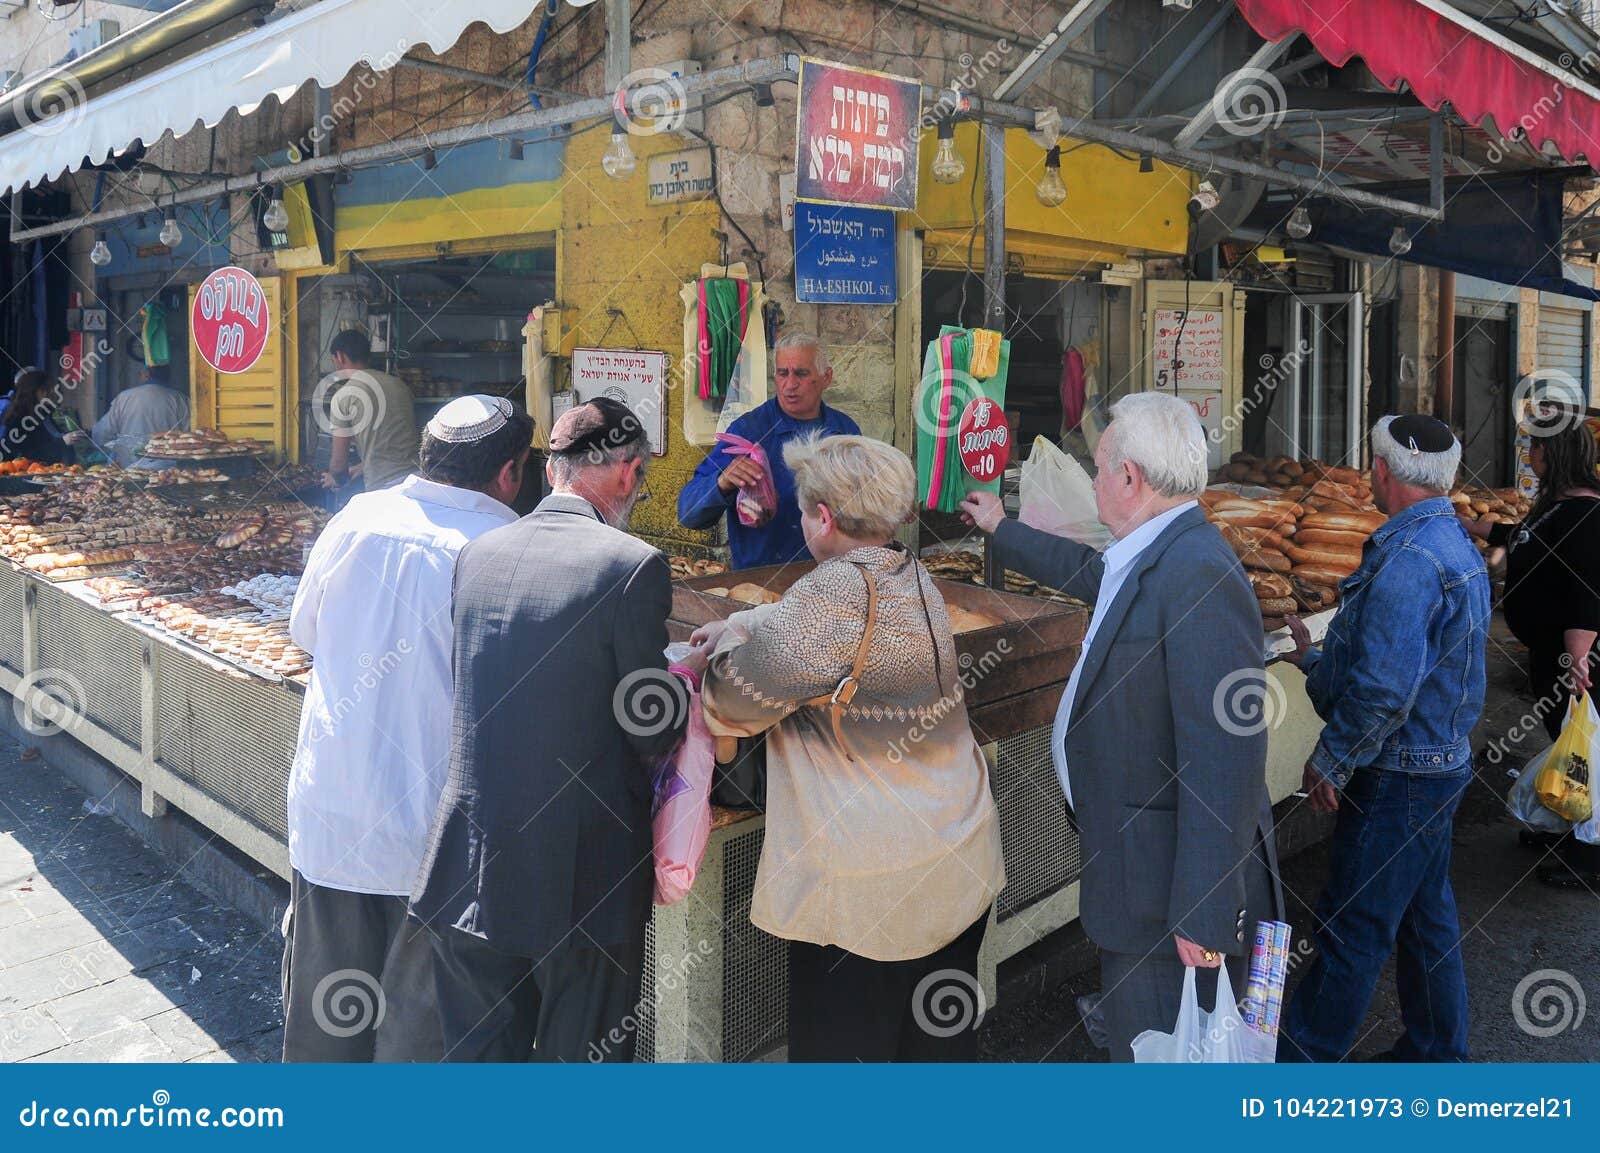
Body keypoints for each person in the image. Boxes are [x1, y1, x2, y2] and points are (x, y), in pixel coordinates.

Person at [960, 392, 1281, 1062]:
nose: (1094, 480)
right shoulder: (1151, 548)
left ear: (1130, 479)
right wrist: (1000, 526)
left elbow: (1226, 757)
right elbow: (1088, 574)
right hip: (1139, 877)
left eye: (1099, 468)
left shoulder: (1198, 574)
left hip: (1170, 905)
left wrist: (1204, 910)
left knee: (1165, 1059)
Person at [689, 434, 1005, 1061]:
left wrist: (719, 648)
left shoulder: (832, 596)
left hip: (873, 889)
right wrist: (745, 622)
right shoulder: (912, 575)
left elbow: (730, 699)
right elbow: (819, 639)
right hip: (957, 856)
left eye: (804, 512)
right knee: (935, 1058)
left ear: (824, 519)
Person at [411, 398, 704, 1061]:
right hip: (581, 884)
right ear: (628, 473)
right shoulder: (631, 565)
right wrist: (690, 680)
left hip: (468, 867)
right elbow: (649, 729)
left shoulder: (478, 554)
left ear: (551, 470)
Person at [281, 396, 531, 1062]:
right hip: (433, 839)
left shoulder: (357, 518)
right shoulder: (503, 549)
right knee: (420, 1041)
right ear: (511, 472)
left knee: (327, 1027)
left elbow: (303, 631)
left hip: (335, 811)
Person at [1279, 414, 1488, 1063]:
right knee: (1426, 918)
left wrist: (1332, 759)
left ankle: (1296, 1074)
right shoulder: (1452, 544)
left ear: (1382, 472)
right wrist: (1317, 660)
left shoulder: (1412, 561)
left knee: (1352, 929)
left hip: (1401, 776)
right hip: (1439, 763)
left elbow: (1384, 690)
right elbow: (1404, 668)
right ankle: (1437, 1055)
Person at [1461, 409, 1600, 887]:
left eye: (1536, 447)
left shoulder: (1589, 511)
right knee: (1566, 743)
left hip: (1574, 657)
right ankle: (1568, 823)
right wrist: (1476, 528)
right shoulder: (1561, 504)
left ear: (1554, 452)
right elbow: (1525, 540)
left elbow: (1589, 590)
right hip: (1549, 651)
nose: (1529, 453)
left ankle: (1591, 854)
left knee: (1586, 752)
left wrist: (1579, 656)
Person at [677, 331, 860, 569]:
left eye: (801, 374)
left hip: (833, 576)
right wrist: (721, 482)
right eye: (783, 373)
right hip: (761, 581)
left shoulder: (844, 431)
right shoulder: (748, 430)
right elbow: (688, 513)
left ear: (826, 378)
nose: (790, 385)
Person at [321, 328, 417, 492]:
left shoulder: (344, 395)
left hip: (382, 486)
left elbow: (338, 466)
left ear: (340, 357)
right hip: (416, 479)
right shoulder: (399, 385)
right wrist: (361, 467)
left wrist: (336, 479)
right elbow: (392, 441)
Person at [63, 365, 188, 467]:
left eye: (140, 374)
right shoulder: (182, 400)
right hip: (168, 472)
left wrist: (106, 452)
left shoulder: (125, 397)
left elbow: (102, 434)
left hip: (130, 469)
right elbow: (189, 437)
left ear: (146, 374)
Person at [0, 369, 68, 464]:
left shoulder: (43, 412)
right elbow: (26, 455)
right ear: (32, 391)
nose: (50, 393)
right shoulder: (17, 417)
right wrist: (62, 442)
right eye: (45, 389)